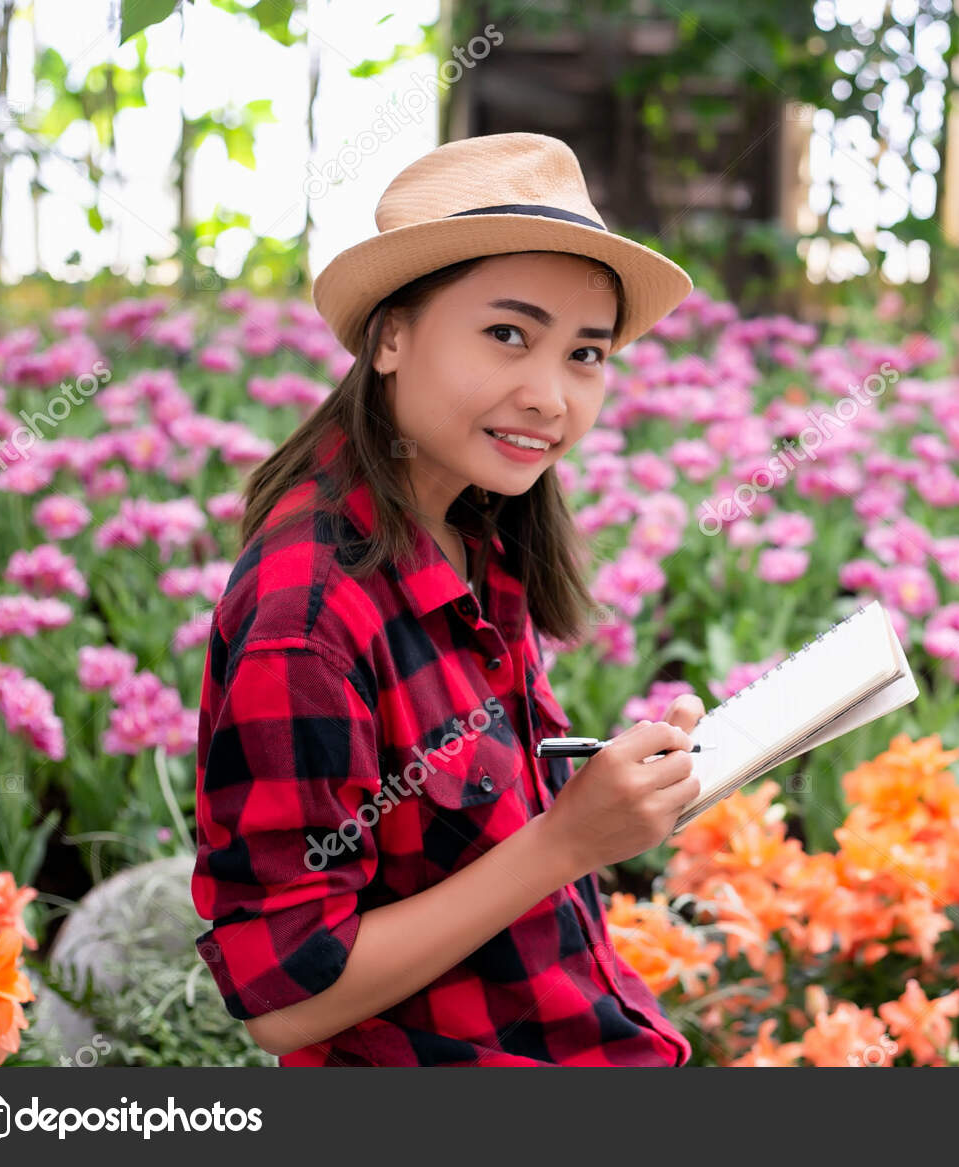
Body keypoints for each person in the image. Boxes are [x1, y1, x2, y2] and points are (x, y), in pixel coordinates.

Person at [190, 133, 704, 1066]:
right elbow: (284, 999)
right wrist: (566, 840)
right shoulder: (307, 616)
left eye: (585, 353)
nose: (550, 396)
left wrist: (620, 795)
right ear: (391, 335)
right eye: (508, 333)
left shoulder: (475, 531)